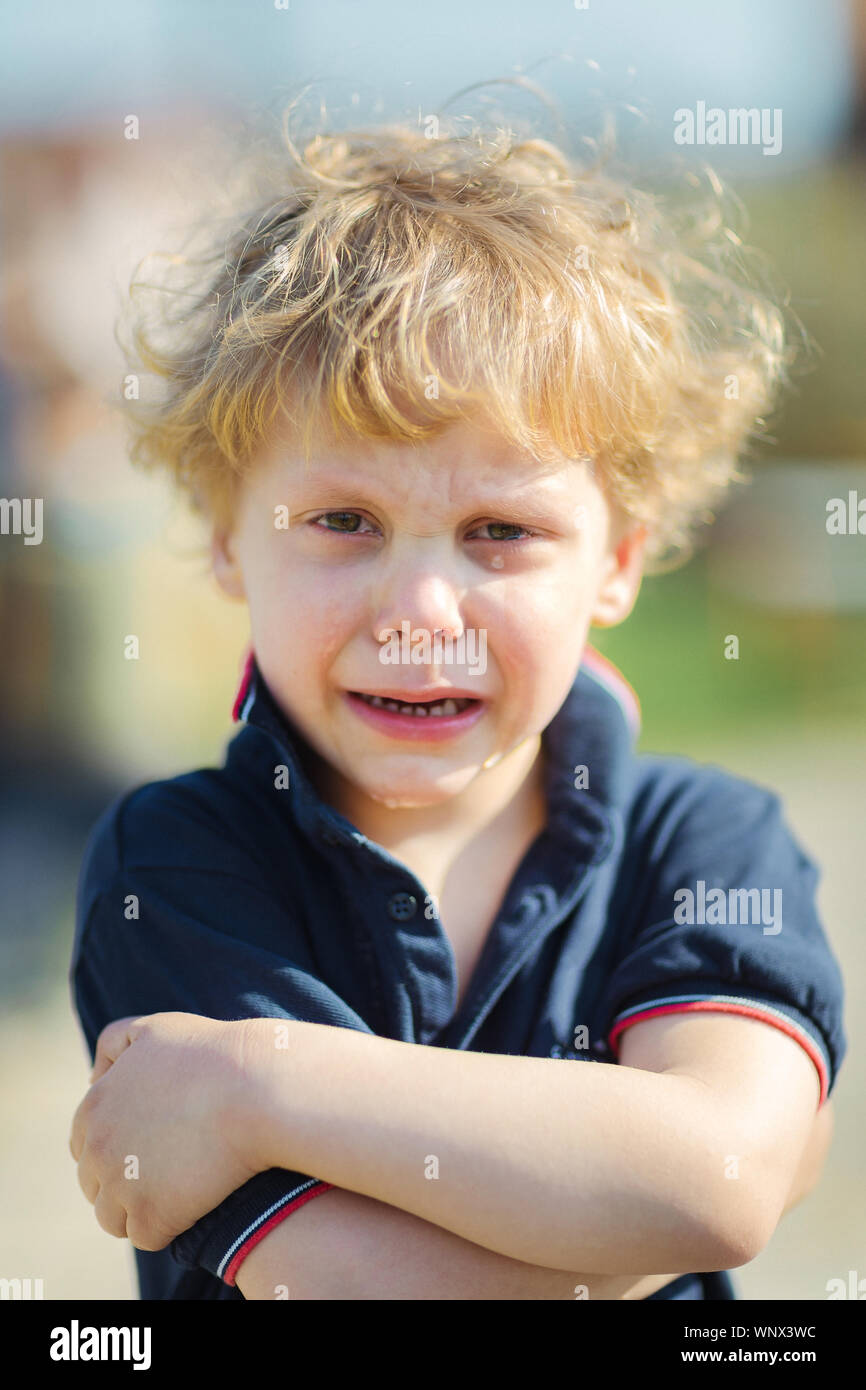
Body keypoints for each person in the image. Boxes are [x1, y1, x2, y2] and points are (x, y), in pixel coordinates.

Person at [69, 110, 846, 1301]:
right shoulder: (175, 859)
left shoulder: (707, 840)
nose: (421, 608)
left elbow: (719, 1177)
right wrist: (635, 1204)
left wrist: (252, 1083)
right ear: (229, 538)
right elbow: (360, 1287)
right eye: (343, 522)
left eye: (500, 530)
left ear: (619, 560)